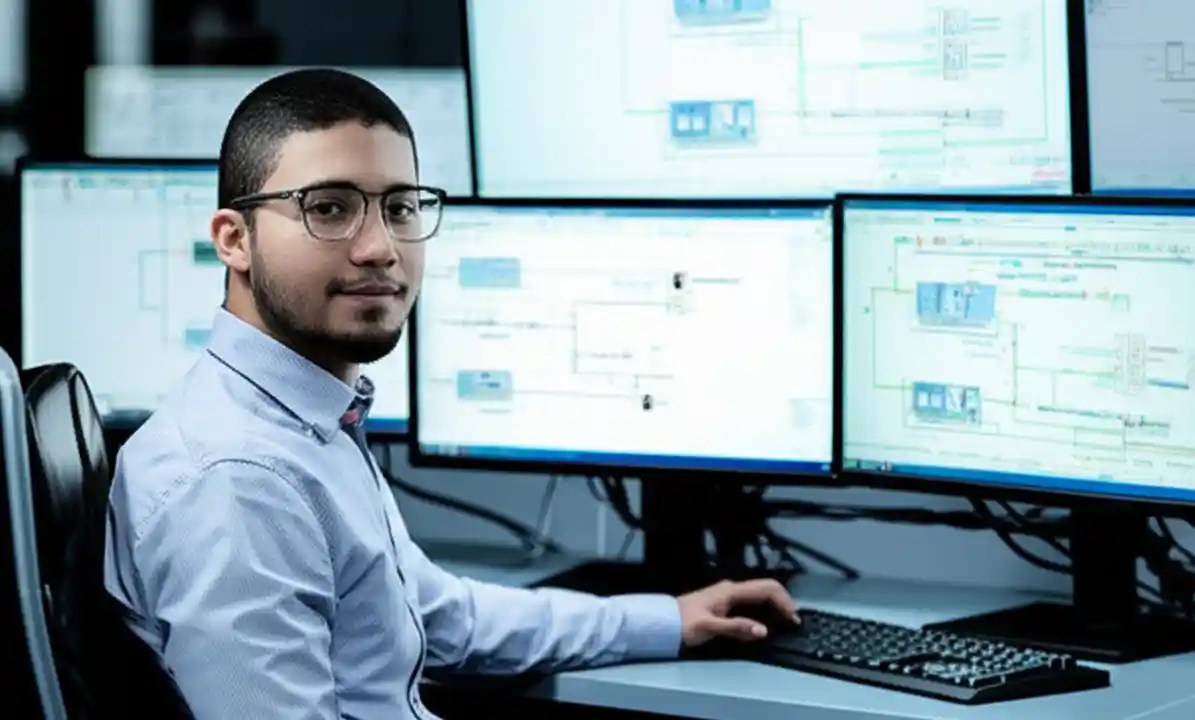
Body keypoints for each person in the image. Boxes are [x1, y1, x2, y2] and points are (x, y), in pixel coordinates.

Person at [103, 68, 799, 719]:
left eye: (401, 207)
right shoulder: (238, 480)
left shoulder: (305, 423)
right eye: (330, 208)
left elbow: (439, 616)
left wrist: (665, 619)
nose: (379, 246)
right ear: (234, 240)